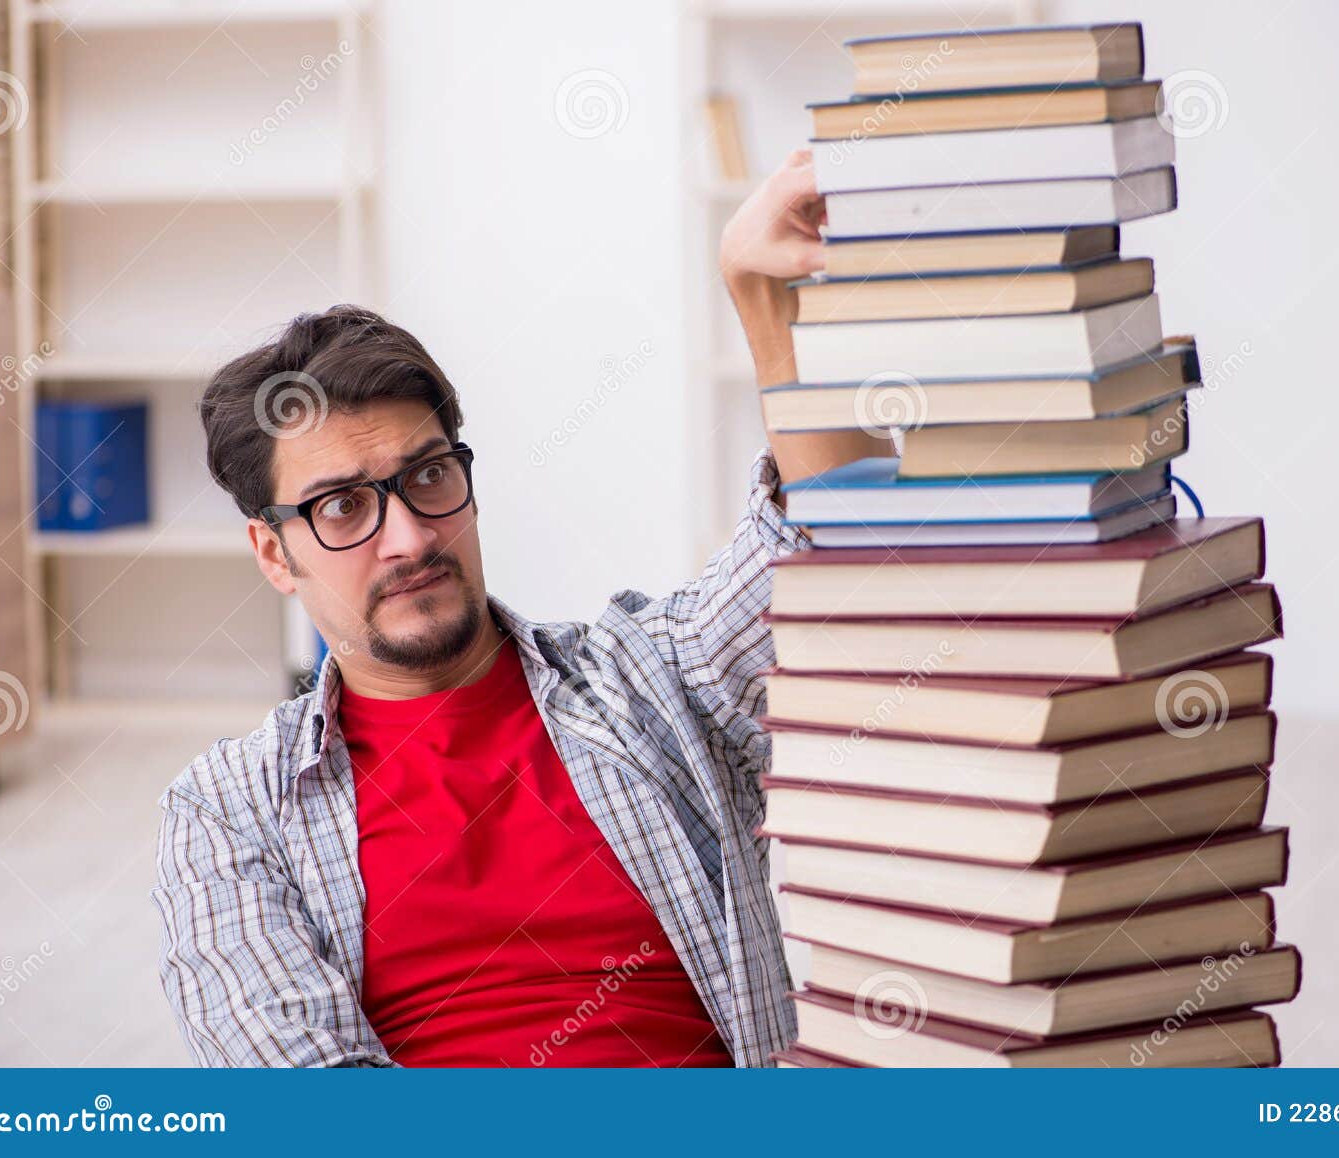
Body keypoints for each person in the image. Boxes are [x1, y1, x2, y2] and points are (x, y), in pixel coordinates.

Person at [150, 151, 885, 1067]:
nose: (411, 538)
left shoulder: (649, 679)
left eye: (428, 477)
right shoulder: (230, 811)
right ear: (274, 553)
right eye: (343, 508)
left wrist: (769, 304)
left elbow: (828, 565)